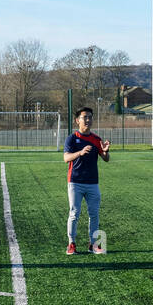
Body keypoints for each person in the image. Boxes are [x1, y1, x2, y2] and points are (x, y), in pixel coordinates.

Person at [63, 106, 110, 255]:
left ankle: (94, 244)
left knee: (94, 214)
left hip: (92, 183)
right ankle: (71, 243)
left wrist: (106, 151)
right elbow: (66, 158)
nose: (88, 120)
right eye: (85, 117)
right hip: (75, 182)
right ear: (77, 121)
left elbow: (106, 159)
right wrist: (80, 152)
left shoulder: (96, 139)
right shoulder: (72, 138)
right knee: (74, 213)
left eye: (90, 117)